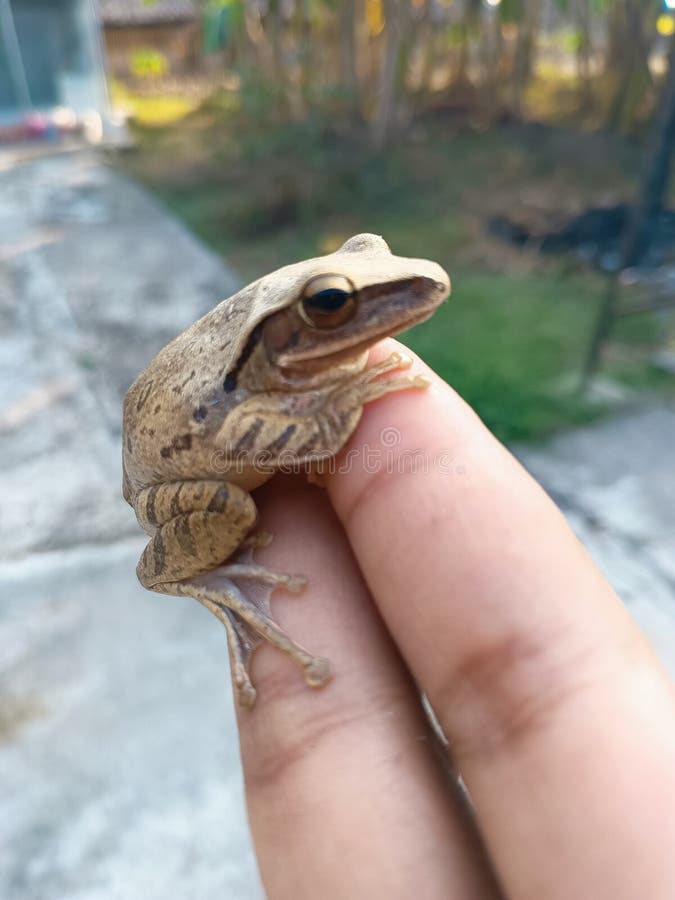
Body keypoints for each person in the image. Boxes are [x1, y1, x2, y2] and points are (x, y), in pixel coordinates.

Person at [234, 340, 675, 899]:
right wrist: (347, 399)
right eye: (331, 303)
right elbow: (292, 443)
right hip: (195, 468)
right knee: (234, 514)